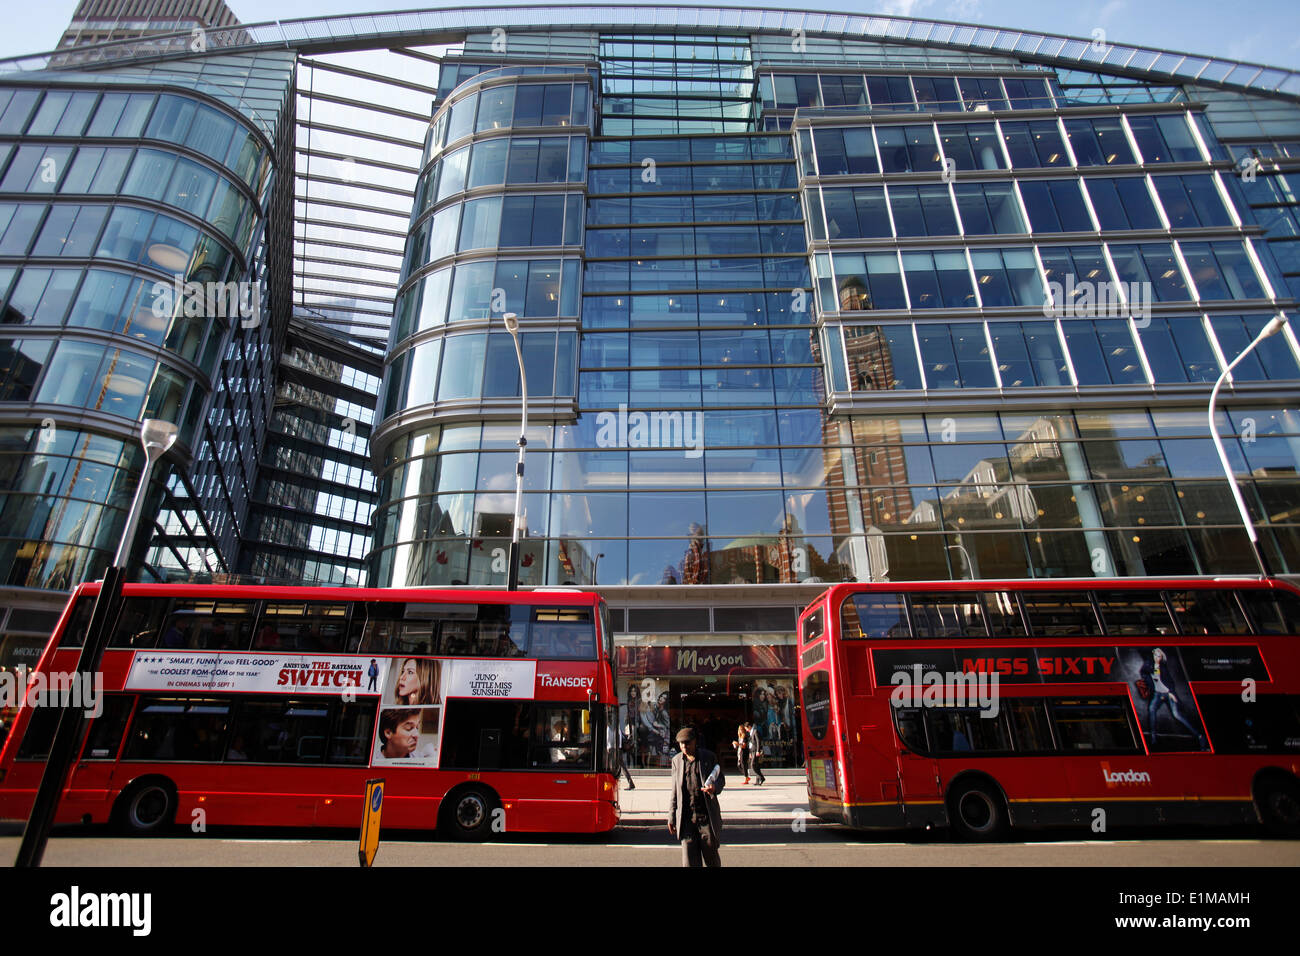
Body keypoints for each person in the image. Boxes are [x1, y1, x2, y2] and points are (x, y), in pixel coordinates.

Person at [667, 727, 725, 867]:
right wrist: (671, 816)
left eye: (687, 743)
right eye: (681, 744)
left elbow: (720, 778)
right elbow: (675, 790)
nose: (684, 747)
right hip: (687, 820)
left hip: (705, 818)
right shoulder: (677, 761)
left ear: (695, 742)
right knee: (689, 861)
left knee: (712, 859)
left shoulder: (708, 757)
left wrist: (714, 788)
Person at [1140, 648, 1208, 750]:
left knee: (1177, 714)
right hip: (1157, 694)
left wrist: (1171, 693)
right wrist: (1148, 680)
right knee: (1151, 710)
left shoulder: (1163, 667)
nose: (1157, 658)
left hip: (1167, 693)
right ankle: (1153, 737)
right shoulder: (1149, 664)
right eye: (1155, 655)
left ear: (1162, 657)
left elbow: (1170, 681)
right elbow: (1143, 672)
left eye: (1159, 656)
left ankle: (1199, 735)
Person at [746, 721, 766, 785]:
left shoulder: (755, 731)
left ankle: (761, 777)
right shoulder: (751, 733)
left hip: (755, 750)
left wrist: (758, 750)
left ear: (749, 727)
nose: (746, 730)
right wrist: (750, 752)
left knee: (753, 765)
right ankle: (758, 780)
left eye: (746, 728)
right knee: (756, 765)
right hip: (752, 750)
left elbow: (758, 741)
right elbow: (750, 744)